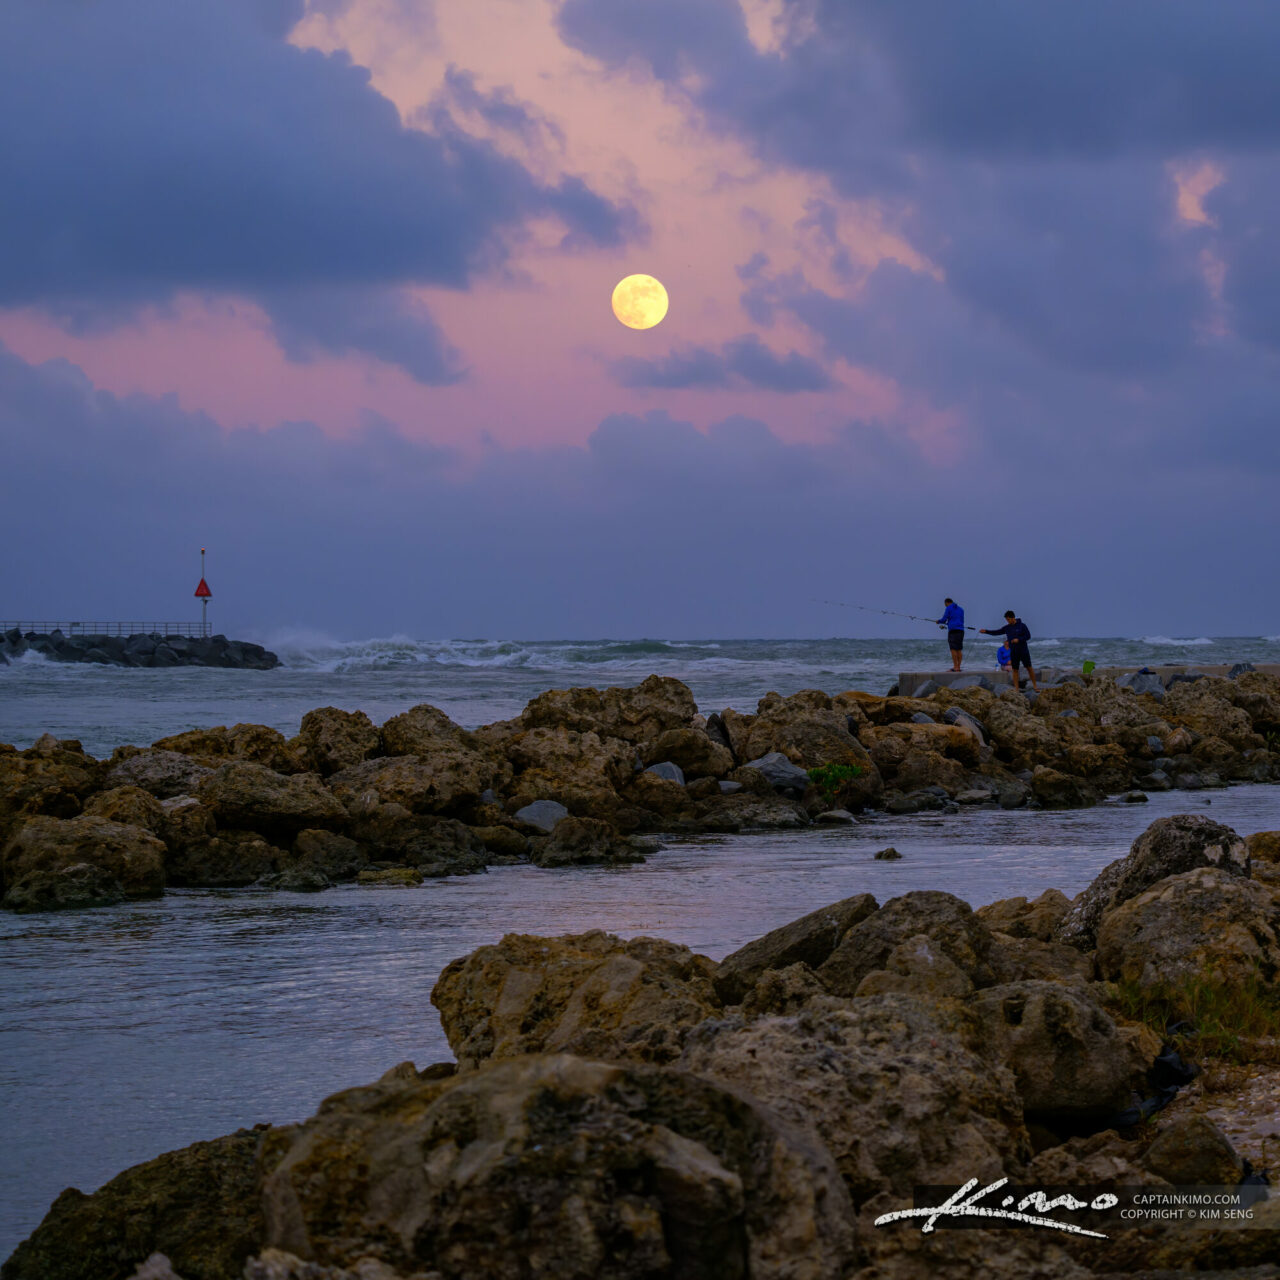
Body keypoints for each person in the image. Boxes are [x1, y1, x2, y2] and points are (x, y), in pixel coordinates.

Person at [980, 611, 1037, 691]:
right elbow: (997, 632)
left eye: (1008, 619)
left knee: (1029, 668)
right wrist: (986, 631)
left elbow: (1028, 636)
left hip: (1023, 650)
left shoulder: (1022, 626)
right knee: (1015, 670)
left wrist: (1019, 639)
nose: (1008, 621)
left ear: (1013, 618)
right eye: (1006, 620)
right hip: (1013, 651)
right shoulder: (1007, 628)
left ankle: (1035, 686)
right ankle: (1016, 689)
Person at [935, 597, 965, 671]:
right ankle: (958, 667)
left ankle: (955, 667)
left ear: (947, 603)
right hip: (961, 630)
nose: (945, 606)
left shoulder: (948, 608)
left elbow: (944, 619)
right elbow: (959, 619)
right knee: (959, 649)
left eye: (945, 604)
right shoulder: (961, 609)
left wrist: (938, 621)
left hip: (953, 631)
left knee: (953, 649)